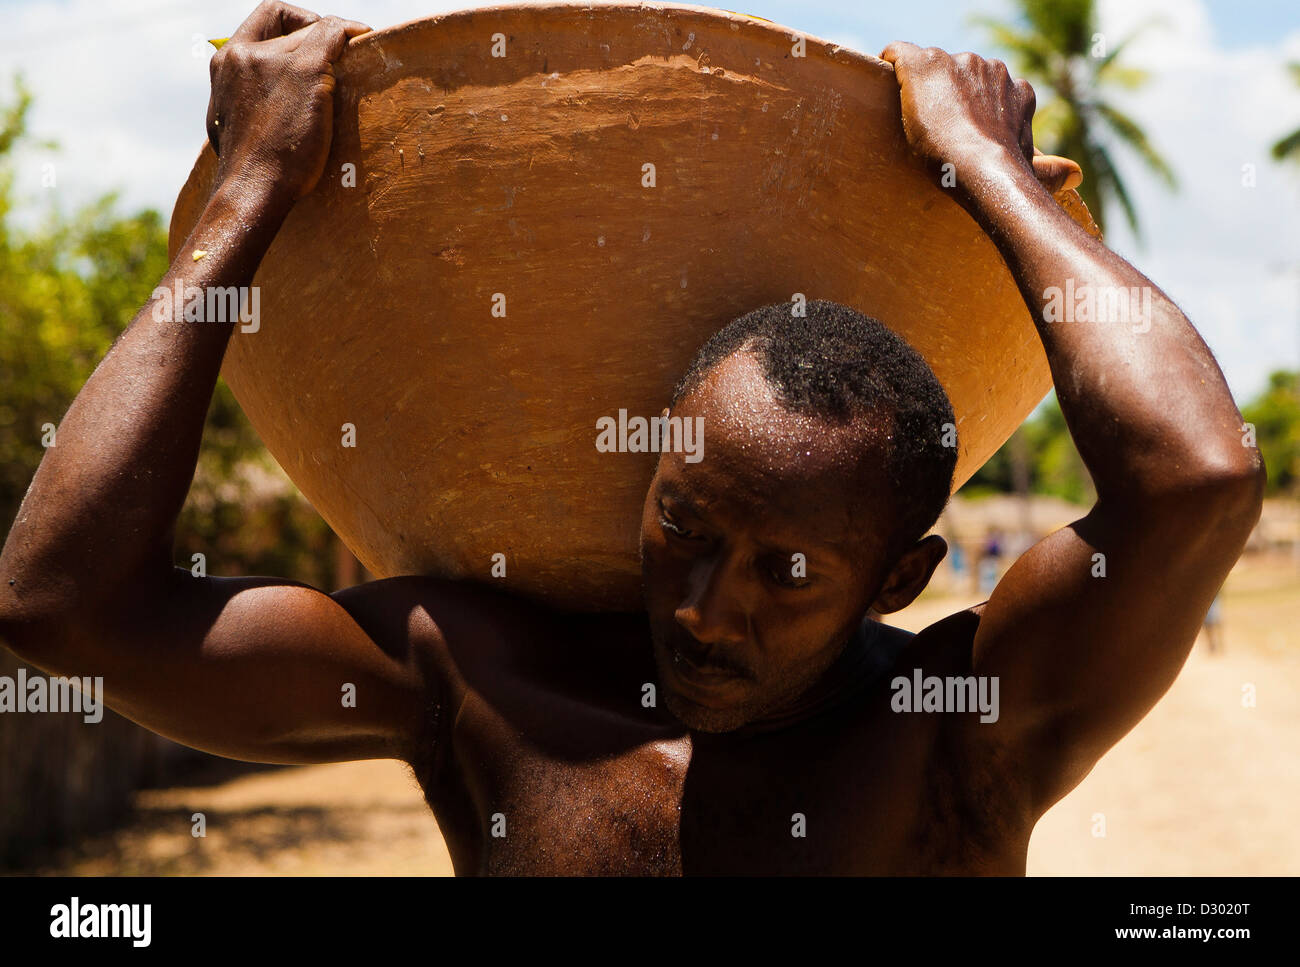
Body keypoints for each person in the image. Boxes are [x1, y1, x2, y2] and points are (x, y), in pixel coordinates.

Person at [0, 2, 1265, 874]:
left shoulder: (954, 736)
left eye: (786, 571)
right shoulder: (488, 688)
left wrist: (983, 169)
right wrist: (251, 192)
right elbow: (61, 608)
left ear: (898, 579)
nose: (707, 609)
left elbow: (1197, 475)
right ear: (651, 461)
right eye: (684, 524)